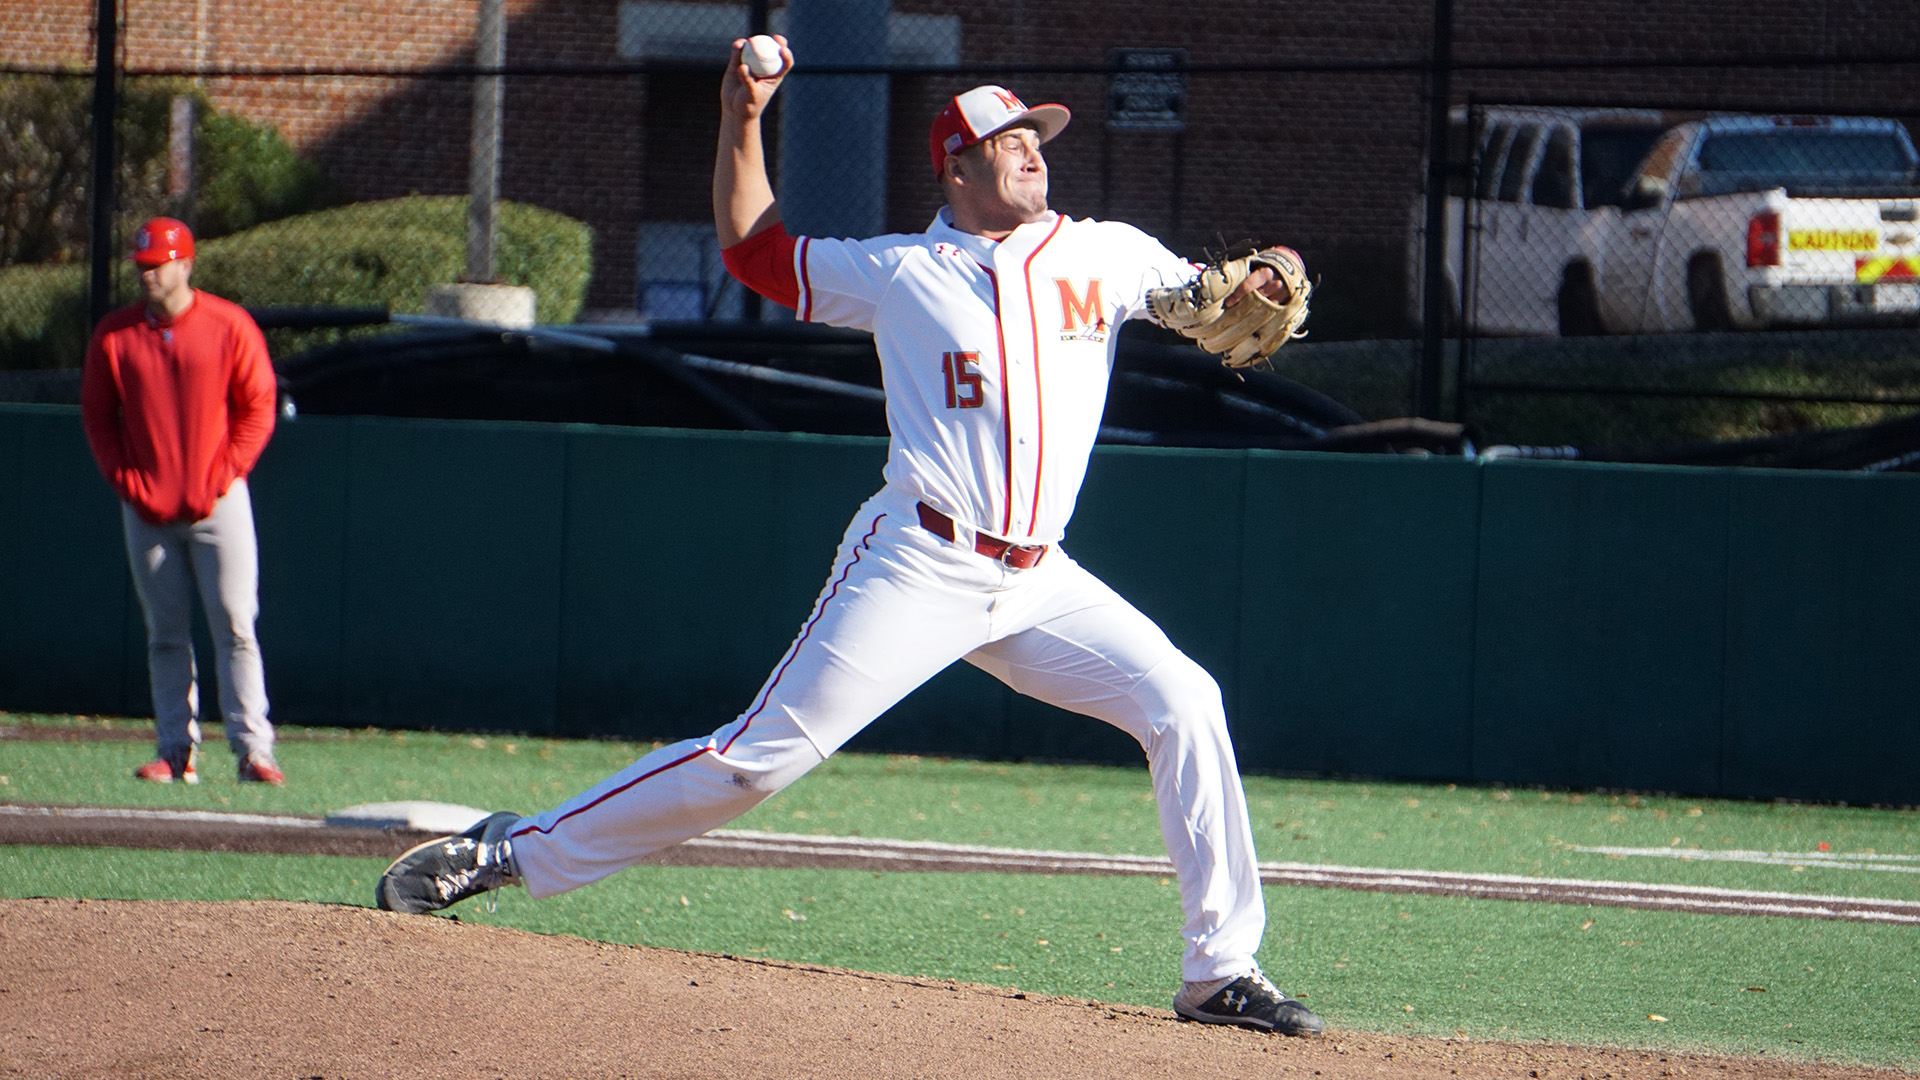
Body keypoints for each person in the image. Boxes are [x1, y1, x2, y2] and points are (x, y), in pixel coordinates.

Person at [376, 42, 1322, 1037]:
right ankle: (512, 850)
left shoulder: (1103, 252)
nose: (1034, 150)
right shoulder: (901, 271)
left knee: (1186, 701)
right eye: (1007, 140)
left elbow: (1212, 296)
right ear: (955, 170)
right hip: (921, 559)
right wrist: (743, 118)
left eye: (1036, 134)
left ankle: (1219, 971)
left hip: (1041, 580)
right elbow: (752, 250)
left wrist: (1275, 270)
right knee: (756, 762)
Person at [80, 217, 284, 787]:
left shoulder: (227, 324)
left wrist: (226, 472)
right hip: (148, 508)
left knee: (236, 624)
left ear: (186, 264)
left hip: (219, 502)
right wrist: (126, 480)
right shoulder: (116, 336)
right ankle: (175, 751)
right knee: (165, 632)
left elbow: (258, 407)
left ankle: (253, 750)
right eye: (143, 267)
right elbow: (98, 415)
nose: (149, 276)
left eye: (159, 265)